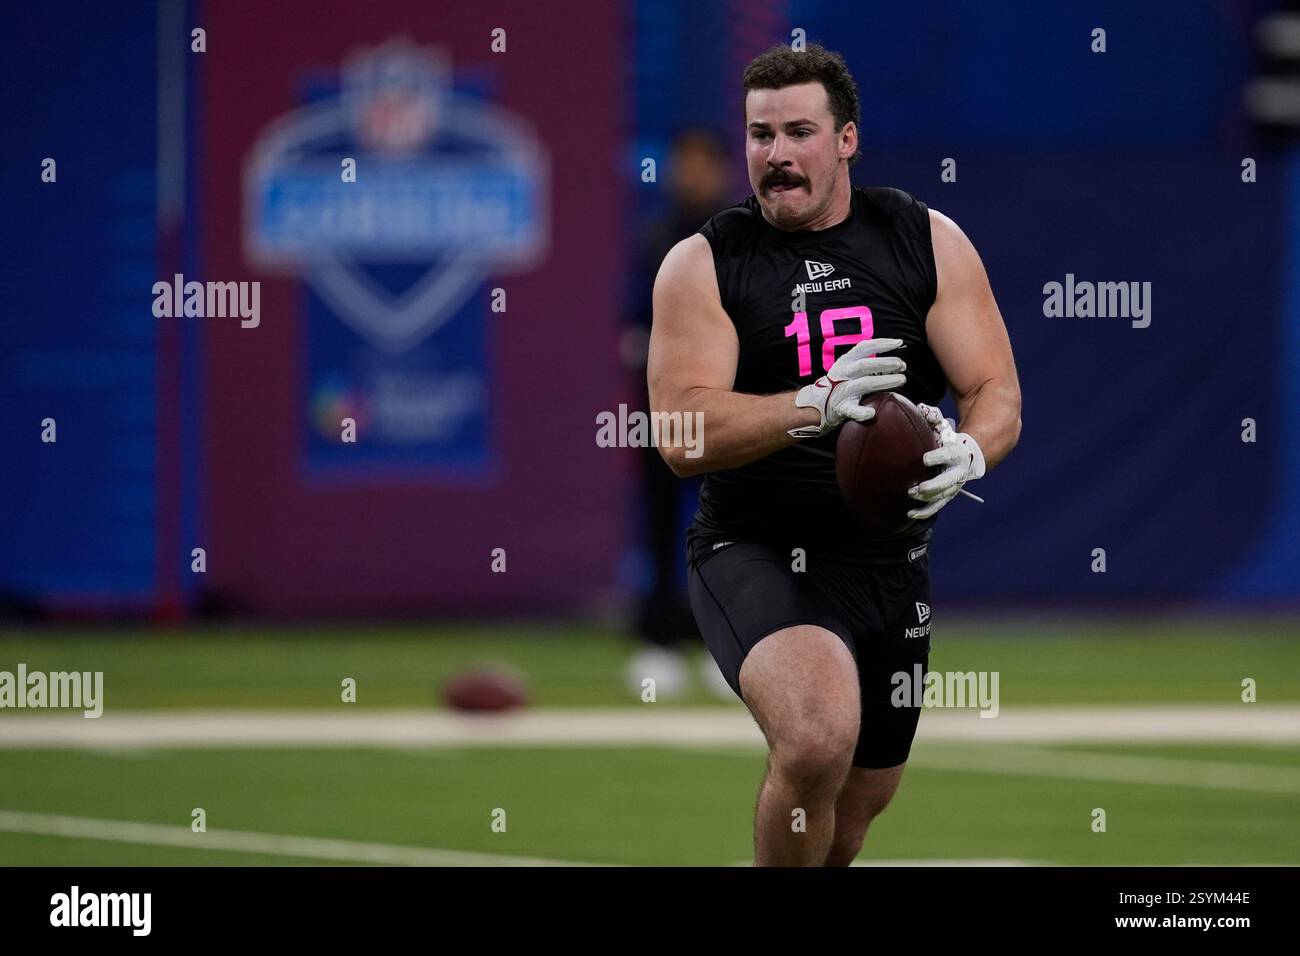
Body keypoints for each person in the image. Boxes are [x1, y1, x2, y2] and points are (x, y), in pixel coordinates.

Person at [647, 44, 1021, 865]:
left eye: (799, 133)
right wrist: (809, 406)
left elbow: (996, 389)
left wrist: (968, 450)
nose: (776, 155)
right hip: (757, 547)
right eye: (759, 135)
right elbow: (677, 432)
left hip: (890, 563)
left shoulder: (926, 238)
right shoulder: (702, 262)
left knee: (856, 808)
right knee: (817, 739)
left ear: (847, 139)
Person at [622, 128, 734, 699]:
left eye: (701, 164)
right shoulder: (655, 238)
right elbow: (632, 322)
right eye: (681, 163)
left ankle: (726, 642)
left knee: (729, 523)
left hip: (728, 410)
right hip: (664, 409)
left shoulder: (740, 237)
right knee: (660, 522)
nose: (691, 174)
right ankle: (657, 642)